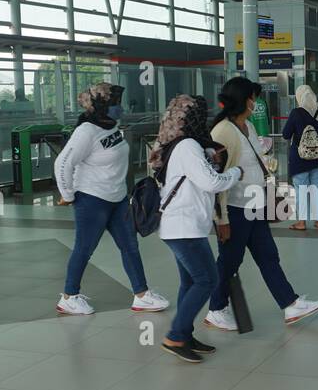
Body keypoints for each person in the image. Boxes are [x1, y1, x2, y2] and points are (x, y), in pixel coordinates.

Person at [203, 77, 318, 332]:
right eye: (252, 97)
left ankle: (290, 303)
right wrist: (221, 219)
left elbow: (254, 158)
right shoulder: (223, 131)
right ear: (243, 100)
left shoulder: (247, 127)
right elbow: (216, 179)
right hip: (235, 209)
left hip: (255, 206)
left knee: (268, 256)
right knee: (229, 262)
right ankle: (216, 309)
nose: (255, 102)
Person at [53, 82, 168, 316]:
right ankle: (68, 296)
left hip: (117, 199)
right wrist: (67, 195)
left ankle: (142, 295)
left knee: (130, 246)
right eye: (114, 103)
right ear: (101, 106)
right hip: (92, 199)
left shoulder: (110, 126)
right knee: (85, 248)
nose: (119, 107)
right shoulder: (86, 131)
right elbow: (63, 163)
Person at [150, 95, 241, 363]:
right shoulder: (187, 145)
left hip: (185, 225)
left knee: (190, 281)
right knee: (207, 280)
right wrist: (235, 173)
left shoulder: (182, 144)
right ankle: (176, 336)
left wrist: (211, 156)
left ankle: (185, 334)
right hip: (184, 227)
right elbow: (210, 182)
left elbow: (196, 173)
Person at [283, 84, 318, 231]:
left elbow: (286, 134)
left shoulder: (296, 113)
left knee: (301, 189)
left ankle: (302, 222)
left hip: (300, 159)